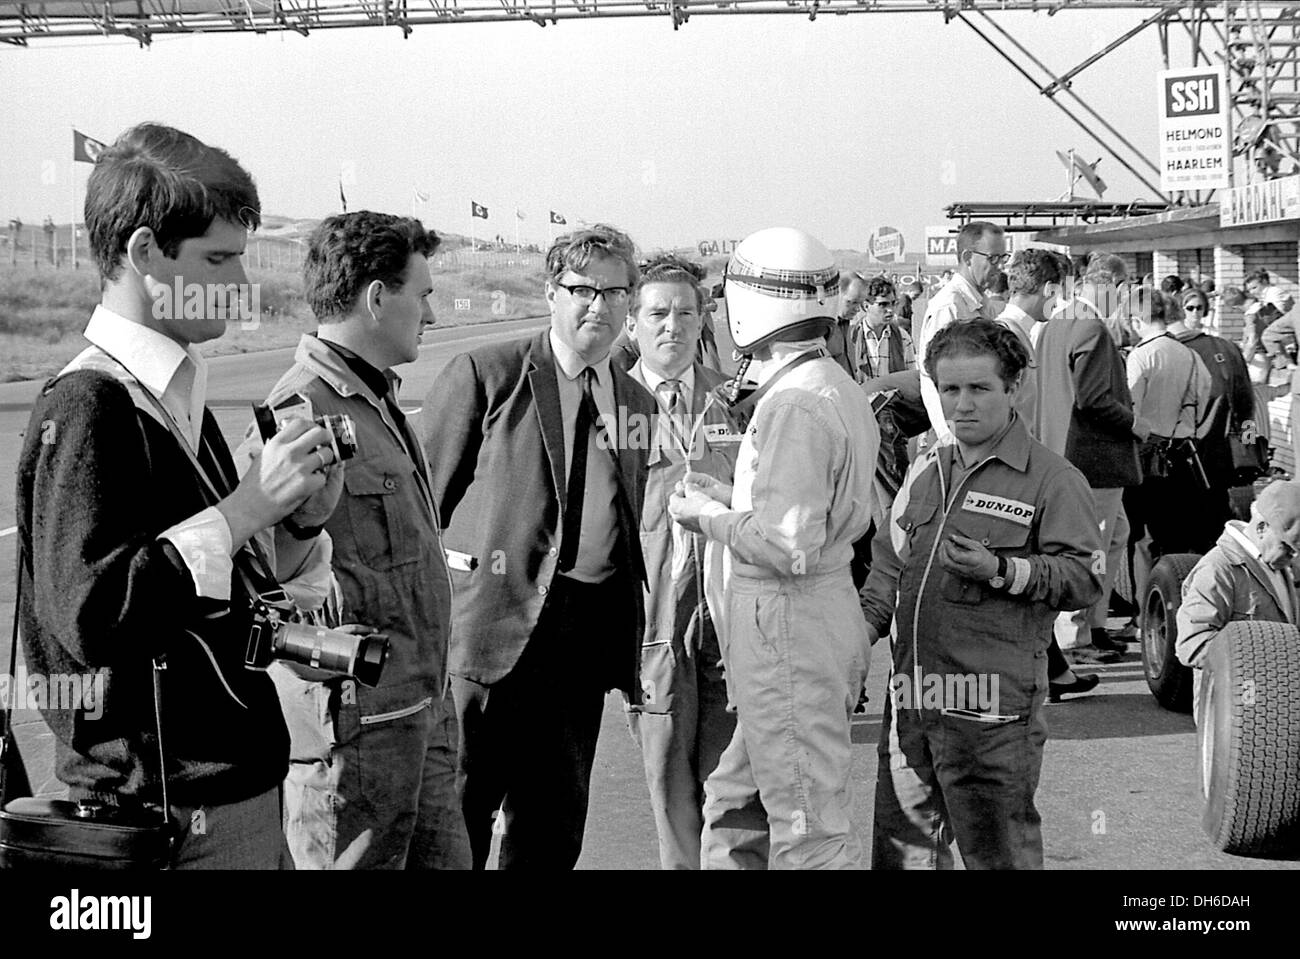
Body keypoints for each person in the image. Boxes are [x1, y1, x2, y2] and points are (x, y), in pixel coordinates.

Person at [15, 123, 343, 868]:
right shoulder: (90, 404)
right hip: (169, 812)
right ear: (143, 254)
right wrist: (246, 508)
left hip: (231, 790)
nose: (241, 281)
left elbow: (214, 589)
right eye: (219, 259)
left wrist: (295, 517)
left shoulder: (172, 394)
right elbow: (91, 613)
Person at [422, 224, 654, 869]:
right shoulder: (488, 374)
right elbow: (424, 507)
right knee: (459, 815)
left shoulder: (637, 403)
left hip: (581, 636)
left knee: (553, 824)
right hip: (488, 630)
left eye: (615, 292)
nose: (599, 307)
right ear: (551, 292)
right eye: (583, 289)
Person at [248, 211, 470, 869]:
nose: (431, 313)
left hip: (422, 716)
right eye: (422, 294)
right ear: (378, 298)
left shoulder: (376, 402)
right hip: (357, 738)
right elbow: (261, 576)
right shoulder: (302, 413)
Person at [668, 226, 878, 869]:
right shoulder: (830, 383)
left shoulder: (793, 402)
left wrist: (706, 516)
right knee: (736, 797)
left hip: (789, 620)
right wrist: (733, 502)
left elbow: (788, 543)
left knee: (805, 823)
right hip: (809, 615)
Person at [862, 319, 1102, 870]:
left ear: (1013, 389)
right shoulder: (927, 469)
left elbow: (1085, 577)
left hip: (990, 712)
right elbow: (886, 566)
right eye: (950, 390)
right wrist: (853, 637)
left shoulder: (1052, 478)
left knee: (998, 858)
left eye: (979, 389)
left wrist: (1003, 569)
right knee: (904, 857)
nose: (962, 404)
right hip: (911, 705)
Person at [621, 254, 742, 870]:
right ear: (633, 323)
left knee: (728, 781)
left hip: (726, 615)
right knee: (668, 776)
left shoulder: (736, 401)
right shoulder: (613, 406)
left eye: (686, 312)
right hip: (654, 621)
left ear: (704, 320)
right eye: (658, 313)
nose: (673, 325)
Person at [1036, 259, 1140, 662]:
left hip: (1066, 450)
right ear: (1114, 285)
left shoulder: (1057, 320)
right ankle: (1077, 636)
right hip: (1092, 456)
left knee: (1112, 538)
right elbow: (1094, 399)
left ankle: (1092, 626)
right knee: (1092, 544)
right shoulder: (1091, 327)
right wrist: (1136, 423)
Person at [1176, 480, 1300, 719]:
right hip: (1236, 710)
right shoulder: (1218, 569)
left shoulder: (1277, 564)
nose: (1292, 557)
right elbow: (1191, 644)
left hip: (1275, 705)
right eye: (1288, 547)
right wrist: (1263, 659)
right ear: (1262, 527)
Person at [1125, 290, 1214, 596]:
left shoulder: (1142, 355)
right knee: (1177, 539)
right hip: (1184, 454)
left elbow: (1130, 411)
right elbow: (1204, 402)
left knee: (1144, 541)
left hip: (1146, 455)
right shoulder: (1191, 356)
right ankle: (1178, 604)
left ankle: (1144, 611)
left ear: (1137, 321)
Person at [1170, 287, 1257, 541]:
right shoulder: (1170, 350)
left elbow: (1245, 404)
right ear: (1179, 311)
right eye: (1190, 308)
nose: (1196, 313)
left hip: (1215, 453)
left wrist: (1248, 447)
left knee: (1212, 525)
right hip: (1184, 455)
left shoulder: (1225, 349)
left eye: (1200, 307)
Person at [918, 221, 1006, 443]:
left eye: (1003, 258)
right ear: (968, 257)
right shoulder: (949, 306)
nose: (999, 266)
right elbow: (935, 378)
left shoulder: (981, 302)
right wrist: (952, 438)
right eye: (993, 258)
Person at [827, 271, 867, 379]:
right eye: (853, 302)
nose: (858, 309)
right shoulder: (823, 330)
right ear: (837, 294)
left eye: (860, 303)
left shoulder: (847, 326)